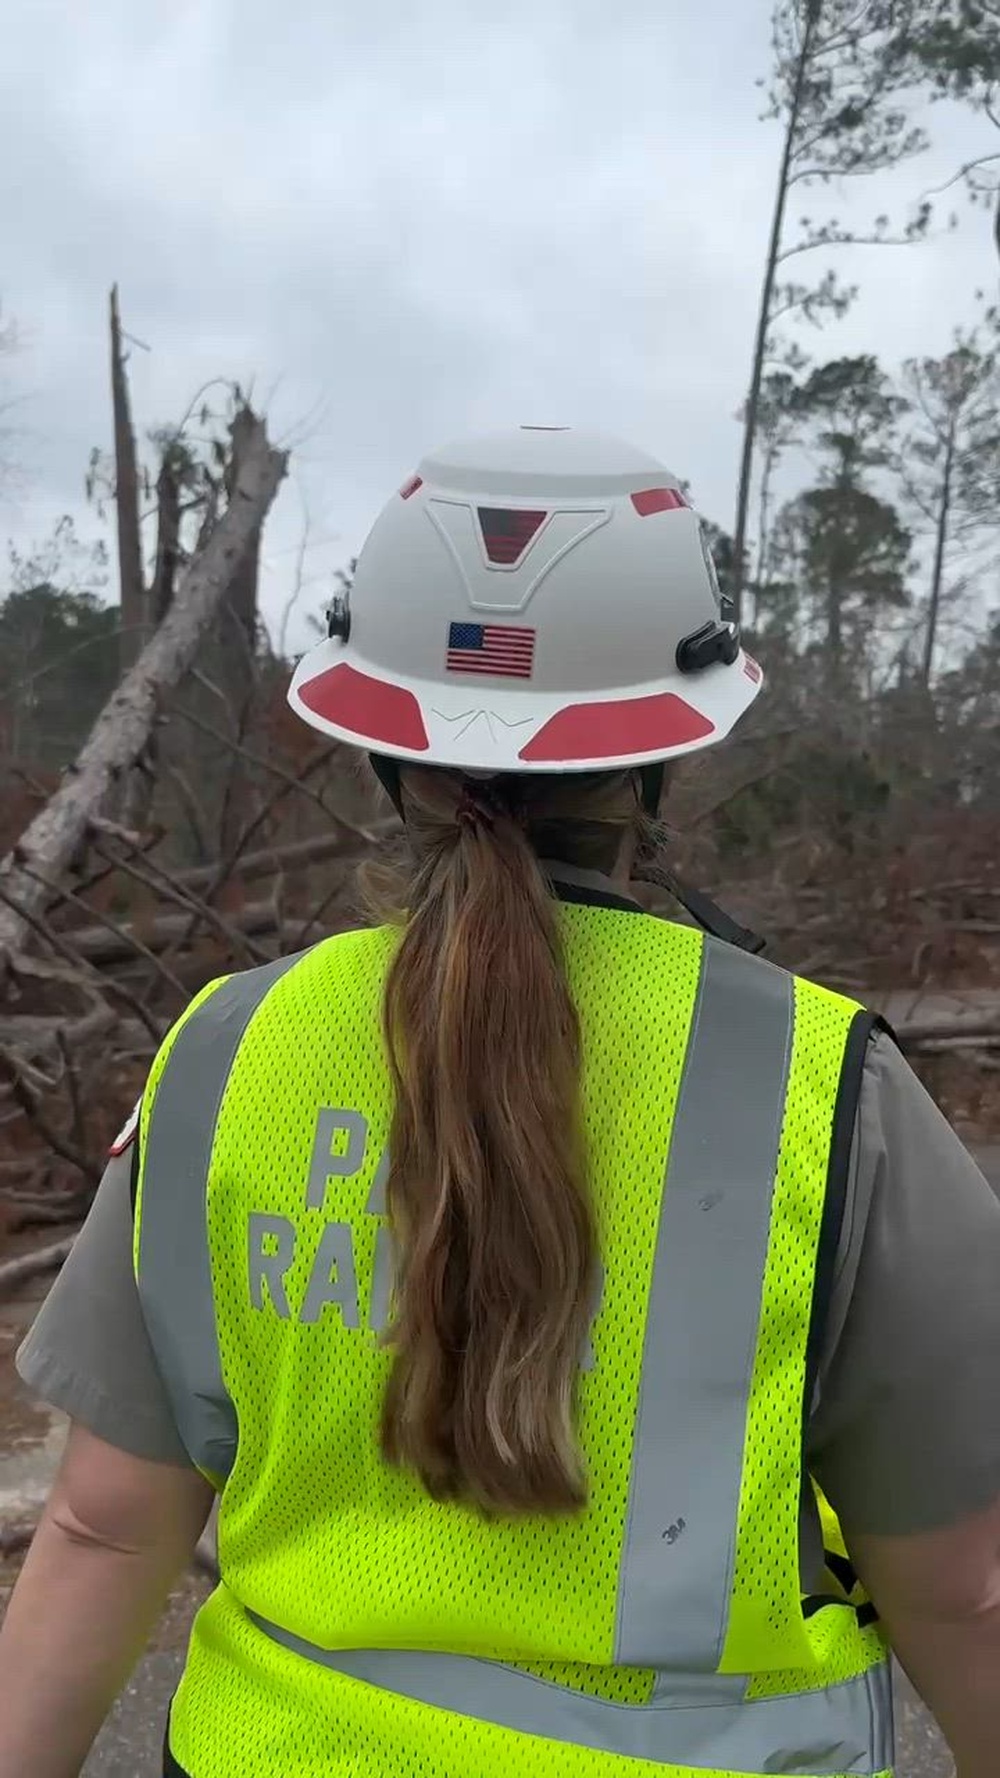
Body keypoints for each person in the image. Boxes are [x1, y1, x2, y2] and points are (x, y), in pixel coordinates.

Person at [1, 427, 1000, 1778]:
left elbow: (106, 1527)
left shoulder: (228, 1054)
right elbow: (962, 1584)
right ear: (663, 758)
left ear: (378, 745)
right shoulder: (830, 1092)